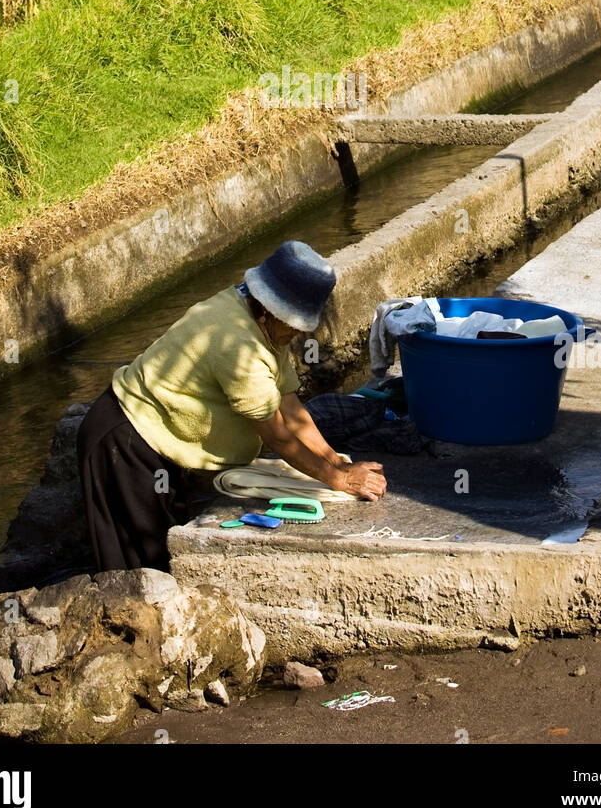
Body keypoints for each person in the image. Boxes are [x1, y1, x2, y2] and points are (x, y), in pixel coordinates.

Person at [77, 240, 387, 571]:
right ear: (270, 310)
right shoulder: (239, 345)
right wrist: (339, 480)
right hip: (126, 442)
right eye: (294, 325)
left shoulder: (259, 319)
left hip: (154, 444)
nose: (297, 335)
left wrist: (336, 463)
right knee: (139, 565)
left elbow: (289, 406)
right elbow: (278, 436)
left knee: (165, 552)